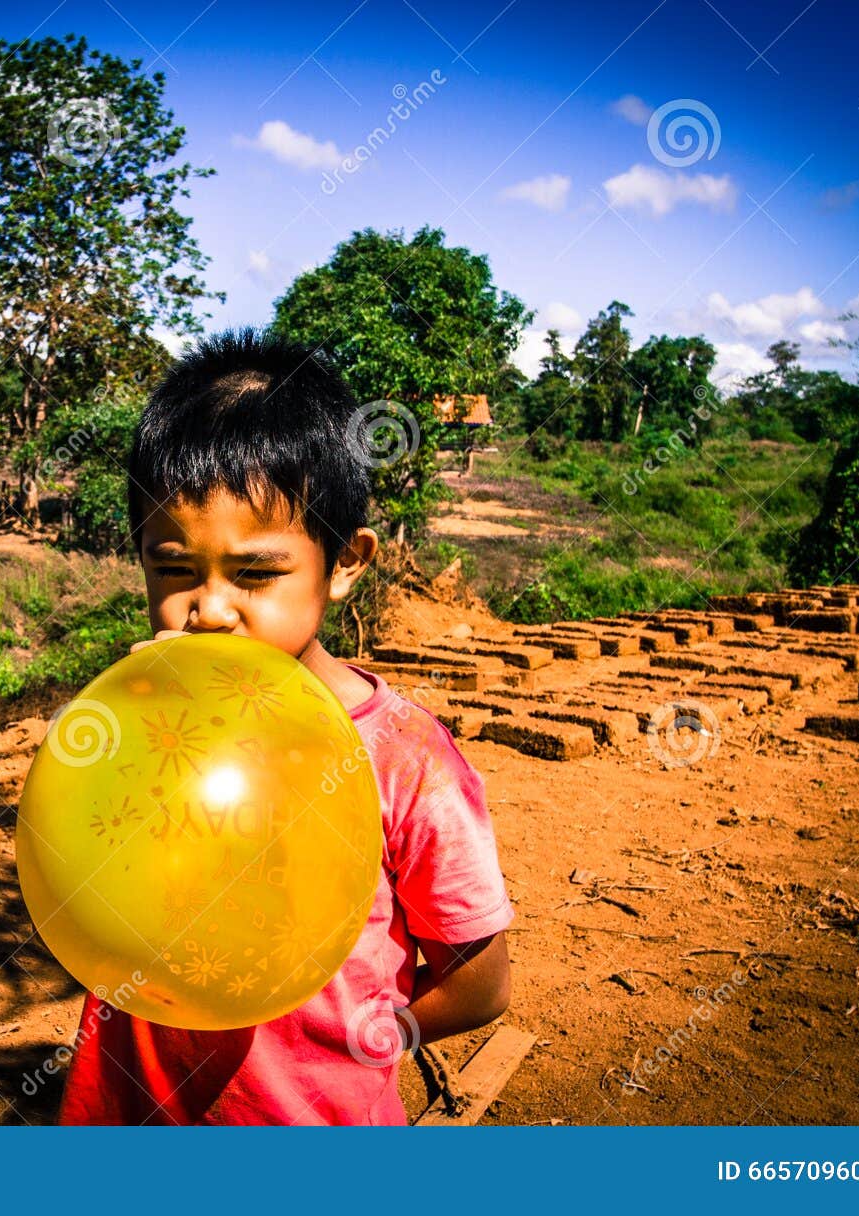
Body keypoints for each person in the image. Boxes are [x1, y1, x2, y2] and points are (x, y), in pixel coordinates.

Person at [55, 327, 514, 1125]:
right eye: (172, 567)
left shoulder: (402, 757)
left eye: (256, 574)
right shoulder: (141, 727)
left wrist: (371, 1035)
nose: (209, 609)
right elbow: (82, 883)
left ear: (345, 564)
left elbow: (482, 980)